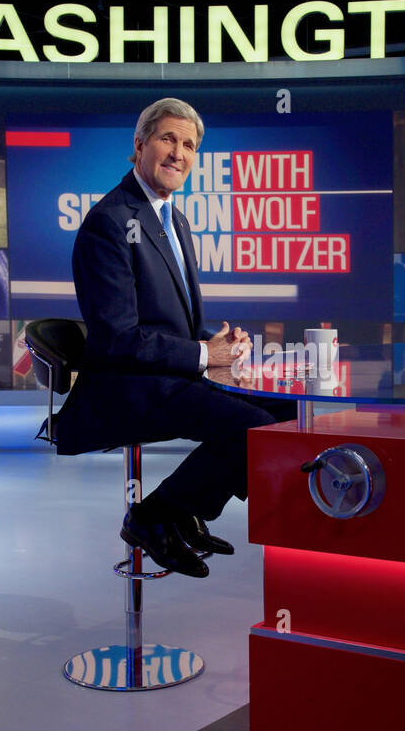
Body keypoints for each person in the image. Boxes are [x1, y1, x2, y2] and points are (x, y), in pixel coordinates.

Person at [54, 98, 294, 578]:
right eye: (168, 139)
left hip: (166, 372)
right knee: (252, 428)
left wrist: (216, 340)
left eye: (188, 145)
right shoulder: (109, 222)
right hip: (126, 385)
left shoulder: (172, 218)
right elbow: (119, 337)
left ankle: (186, 512)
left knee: (285, 413)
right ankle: (154, 515)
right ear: (139, 146)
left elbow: (166, 322)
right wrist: (205, 353)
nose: (178, 153)